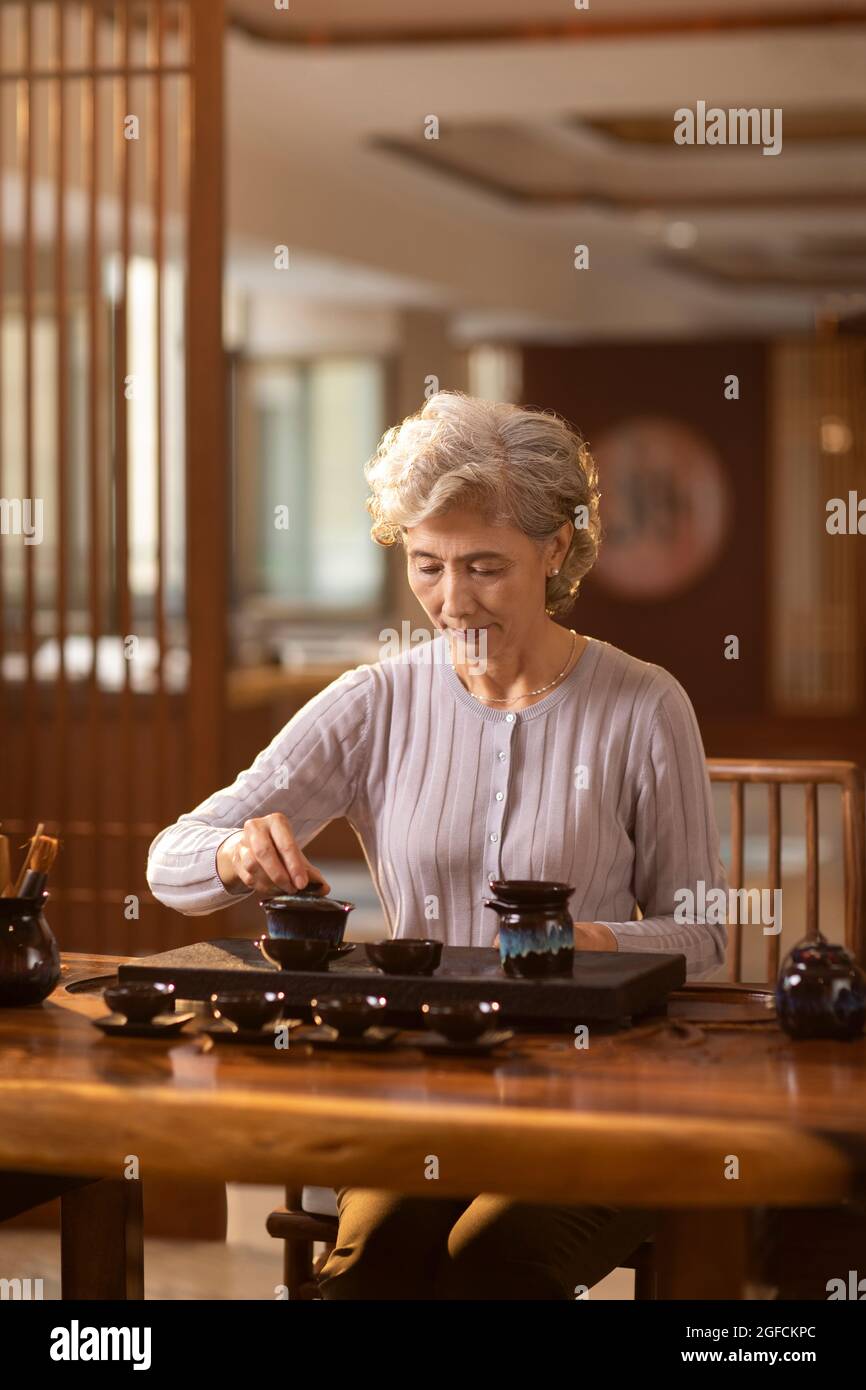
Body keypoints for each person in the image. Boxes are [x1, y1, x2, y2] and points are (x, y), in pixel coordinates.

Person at [147, 390, 728, 1299]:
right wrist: (231, 856)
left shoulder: (645, 705)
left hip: (597, 1097)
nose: (451, 602)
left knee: (492, 1266)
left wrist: (589, 945)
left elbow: (706, 936)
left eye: (485, 567)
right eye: (427, 566)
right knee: (374, 1270)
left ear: (557, 549)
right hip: (413, 1087)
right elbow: (170, 858)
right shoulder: (375, 702)